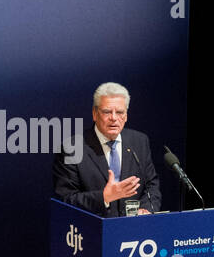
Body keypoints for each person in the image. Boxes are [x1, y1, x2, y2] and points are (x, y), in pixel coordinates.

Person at [52, 82, 161, 217]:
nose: (113, 118)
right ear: (95, 114)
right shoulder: (72, 148)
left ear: (126, 116)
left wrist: (146, 209)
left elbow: (151, 185)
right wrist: (104, 197)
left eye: (119, 112)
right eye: (107, 112)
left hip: (135, 226)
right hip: (93, 226)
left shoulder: (139, 141)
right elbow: (66, 199)